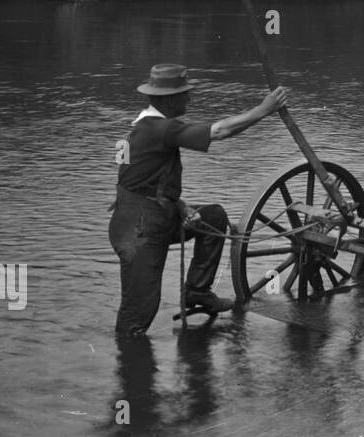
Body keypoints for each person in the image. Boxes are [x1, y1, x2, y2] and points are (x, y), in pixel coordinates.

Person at [109, 64, 288, 337]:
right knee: (139, 314)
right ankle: (129, 361)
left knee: (213, 217)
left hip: (150, 216)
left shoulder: (143, 127)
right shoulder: (161, 128)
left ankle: (197, 292)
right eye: (184, 94)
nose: (189, 99)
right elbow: (218, 132)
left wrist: (180, 205)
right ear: (169, 100)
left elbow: (139, 180)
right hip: (140, 230)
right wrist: (264, 109)